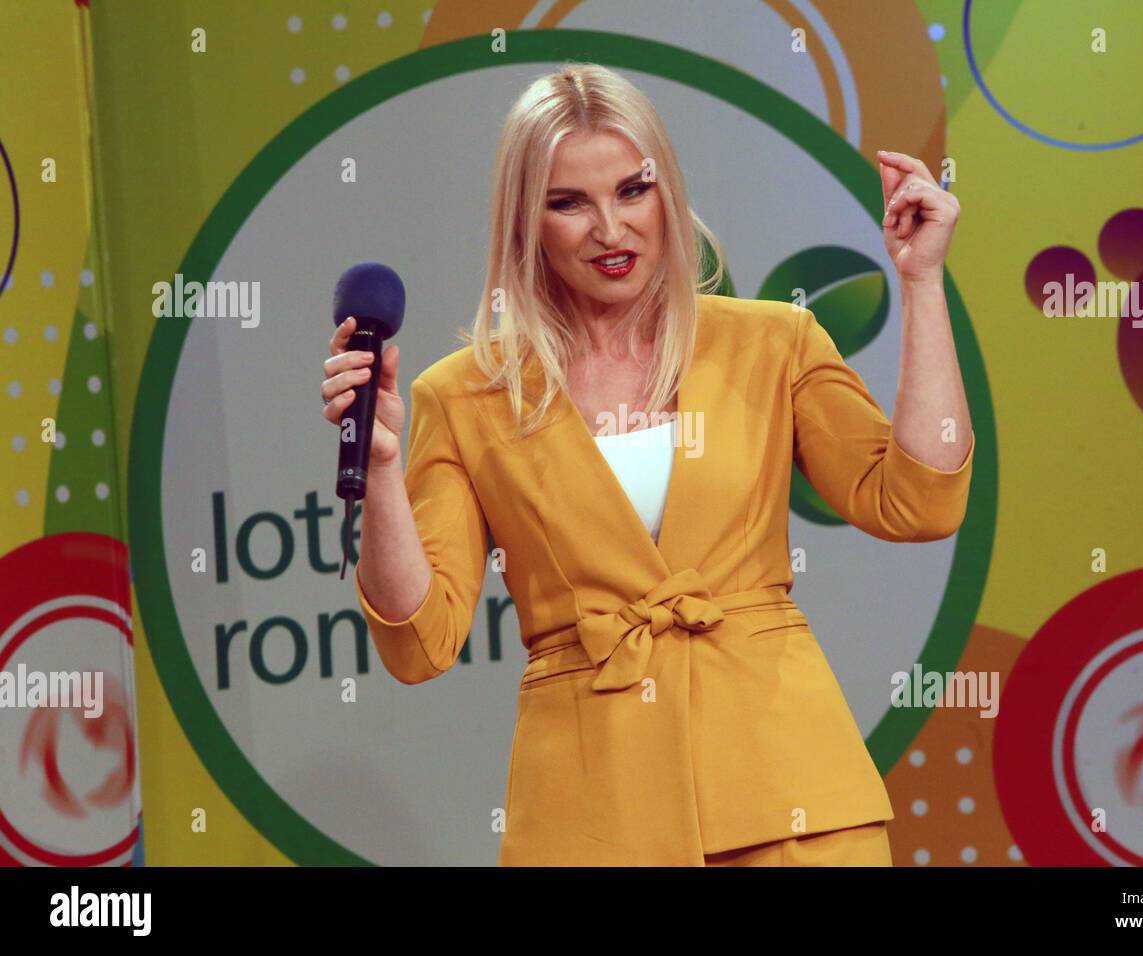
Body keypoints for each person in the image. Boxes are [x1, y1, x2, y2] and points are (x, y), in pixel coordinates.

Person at [321, 63, 974, 866]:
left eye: (633, 190)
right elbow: (420, 645)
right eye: (568, 203)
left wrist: (922, 283)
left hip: (792, 801)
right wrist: (381, 467)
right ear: (526, 222)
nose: (609, 229)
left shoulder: (776, 342)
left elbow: (920, 503)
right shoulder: (463, 397)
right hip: (593, 825)